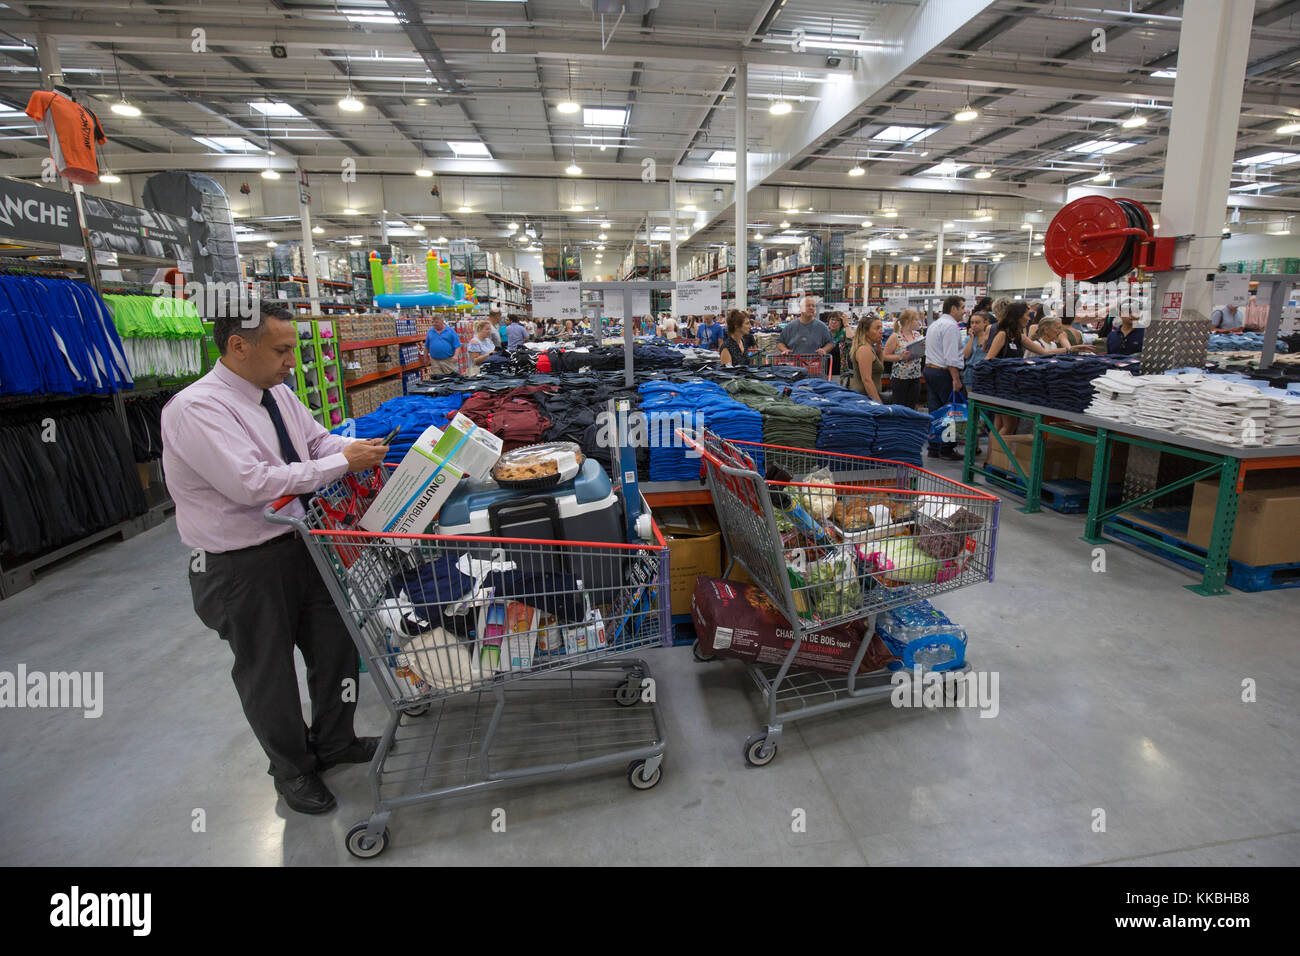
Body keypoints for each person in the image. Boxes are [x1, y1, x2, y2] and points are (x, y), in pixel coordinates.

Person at [161, 303, 388, 815]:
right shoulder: (197, 409)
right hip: (243, 565)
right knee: (269, 673)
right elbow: (250, 485)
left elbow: (314, 442)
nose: (292, 362)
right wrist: (336, 463)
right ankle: (291, 769)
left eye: (294, 350)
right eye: (282, 350)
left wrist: (354, 448)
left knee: (334, 649)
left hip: (303, 544)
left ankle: (336, 741)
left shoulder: (278, 394)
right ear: (239, 346)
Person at [923, 295, 966, 460]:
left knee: (935, 411)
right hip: (944, 373)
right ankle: (947, 448)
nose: (964, 311)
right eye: (962, 307)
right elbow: (950, 356)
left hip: (930, 370)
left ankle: (934, 447)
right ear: (953, 308)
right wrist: (956, 378)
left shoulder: (935, 325)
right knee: (952, 410)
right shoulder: (951, 327)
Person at [881, 309, 923, 409]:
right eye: (916, 320)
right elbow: (885, 355)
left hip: (915, 376)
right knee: (900, 406)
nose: (918, 322)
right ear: (908, 321)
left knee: (912, 405)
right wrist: (900, 357)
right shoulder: (895, 337)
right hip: (900, 378)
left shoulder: (917, 335)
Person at [850, 315, 886, 402]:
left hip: (868, 398)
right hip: (864, 399)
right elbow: (867, 380)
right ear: (866, 331)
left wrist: (879, 351)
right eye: (877, 328)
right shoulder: (864, 350)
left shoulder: (870, 348)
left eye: (881, 327)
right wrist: (878, 403)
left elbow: (880, 368)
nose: (881, 331)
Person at [962, 310, 993, 395]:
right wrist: (971, 338)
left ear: (985, 323)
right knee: (970, 399)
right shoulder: (968, 339)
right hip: (970, 374)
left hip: (984, 373)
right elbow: (965, 355)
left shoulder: (990, 338)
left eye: (977, 322)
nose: (974, 325)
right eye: (972, 323)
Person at [826, 312, 848, 377]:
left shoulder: (844, 334)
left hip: (839, 370)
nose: (834, 322)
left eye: (837, 320)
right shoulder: (823, 333)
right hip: (824, 369)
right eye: (832, 319)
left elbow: (851, 339)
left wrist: (847, 325)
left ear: (841, 323)